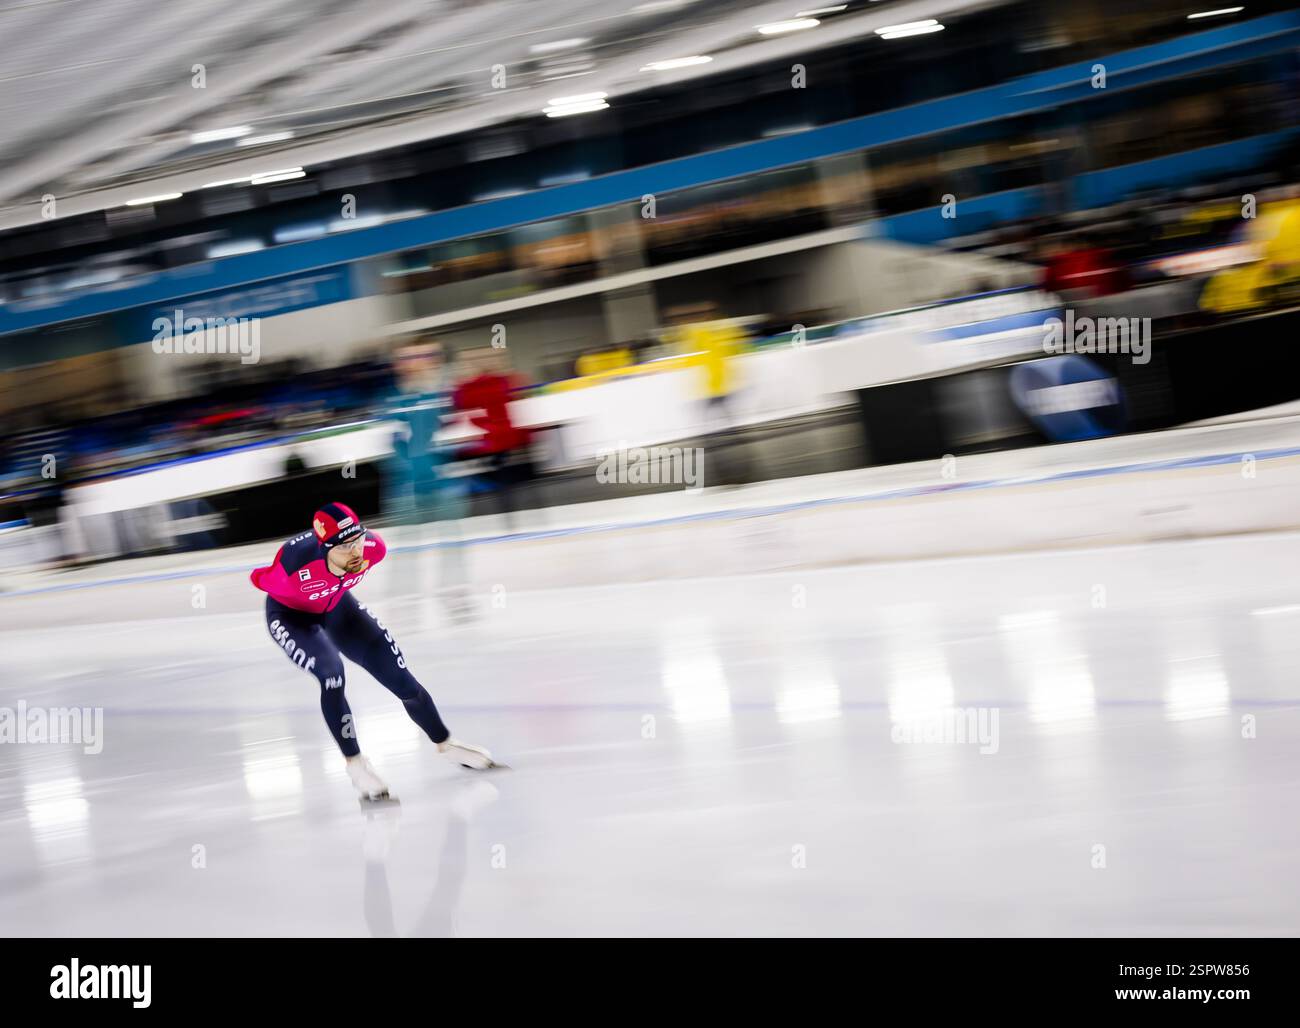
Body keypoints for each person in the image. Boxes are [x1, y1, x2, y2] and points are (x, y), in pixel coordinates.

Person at [251, 501, 495, 801]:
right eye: (344, 548)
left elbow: (355, 554)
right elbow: (259, 579)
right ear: (324, 548)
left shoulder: (374, 549)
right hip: (291, 617)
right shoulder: (293, 565)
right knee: (332, 676)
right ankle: (355, 764)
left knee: (403, 681)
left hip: (339, 608)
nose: (355, 552)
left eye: (358, 541)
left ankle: (446, 743)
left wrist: (343, 568)